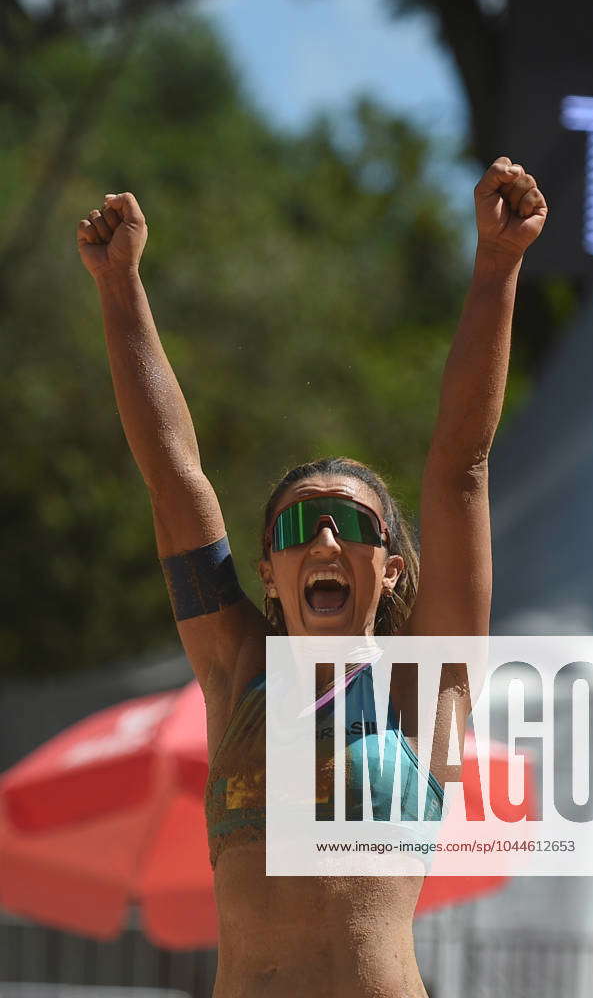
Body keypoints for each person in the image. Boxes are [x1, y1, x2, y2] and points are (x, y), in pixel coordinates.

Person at [77, 156, 547, 998]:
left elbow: (460, 471)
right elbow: (177, 479)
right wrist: (121, 292)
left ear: (391, 567)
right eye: (297, 524)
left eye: (352, 522)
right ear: (268, 569)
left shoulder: (425, 692)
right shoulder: (239, 673)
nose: (323, 534)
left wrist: (497, 266)